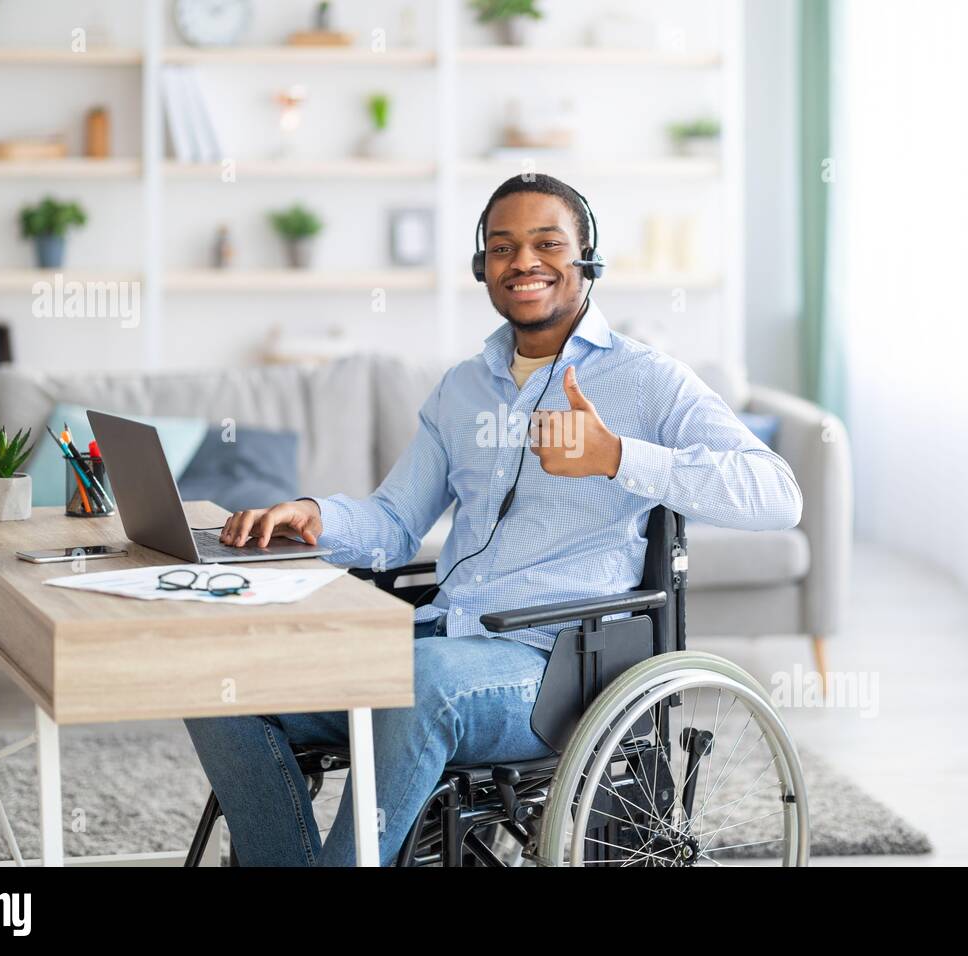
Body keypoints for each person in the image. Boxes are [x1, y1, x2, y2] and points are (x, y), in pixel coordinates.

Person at [184, 174, 803, 865]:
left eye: (547, 243)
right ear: (483, 267)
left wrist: (617, 456)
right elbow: (393, 522)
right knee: (223, 681)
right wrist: (310, 515)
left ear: (588, 259)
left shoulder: (649, 380)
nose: (524, 262)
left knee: (419, 685)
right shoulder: (461, 388)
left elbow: (777, 494)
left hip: (555, 668)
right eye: (503, 247)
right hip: (442, 638)